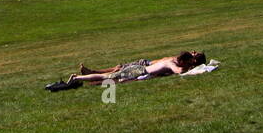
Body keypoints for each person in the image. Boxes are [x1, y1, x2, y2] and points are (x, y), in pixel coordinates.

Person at [65, 51, 207, 85]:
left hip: (140, 70)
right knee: (108, 77)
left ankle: (84, 78)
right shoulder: (172, 63)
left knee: (112, 77)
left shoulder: (172, 60)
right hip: (140, 70)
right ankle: (78, 78)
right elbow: (179, 71)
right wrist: (194, 72)